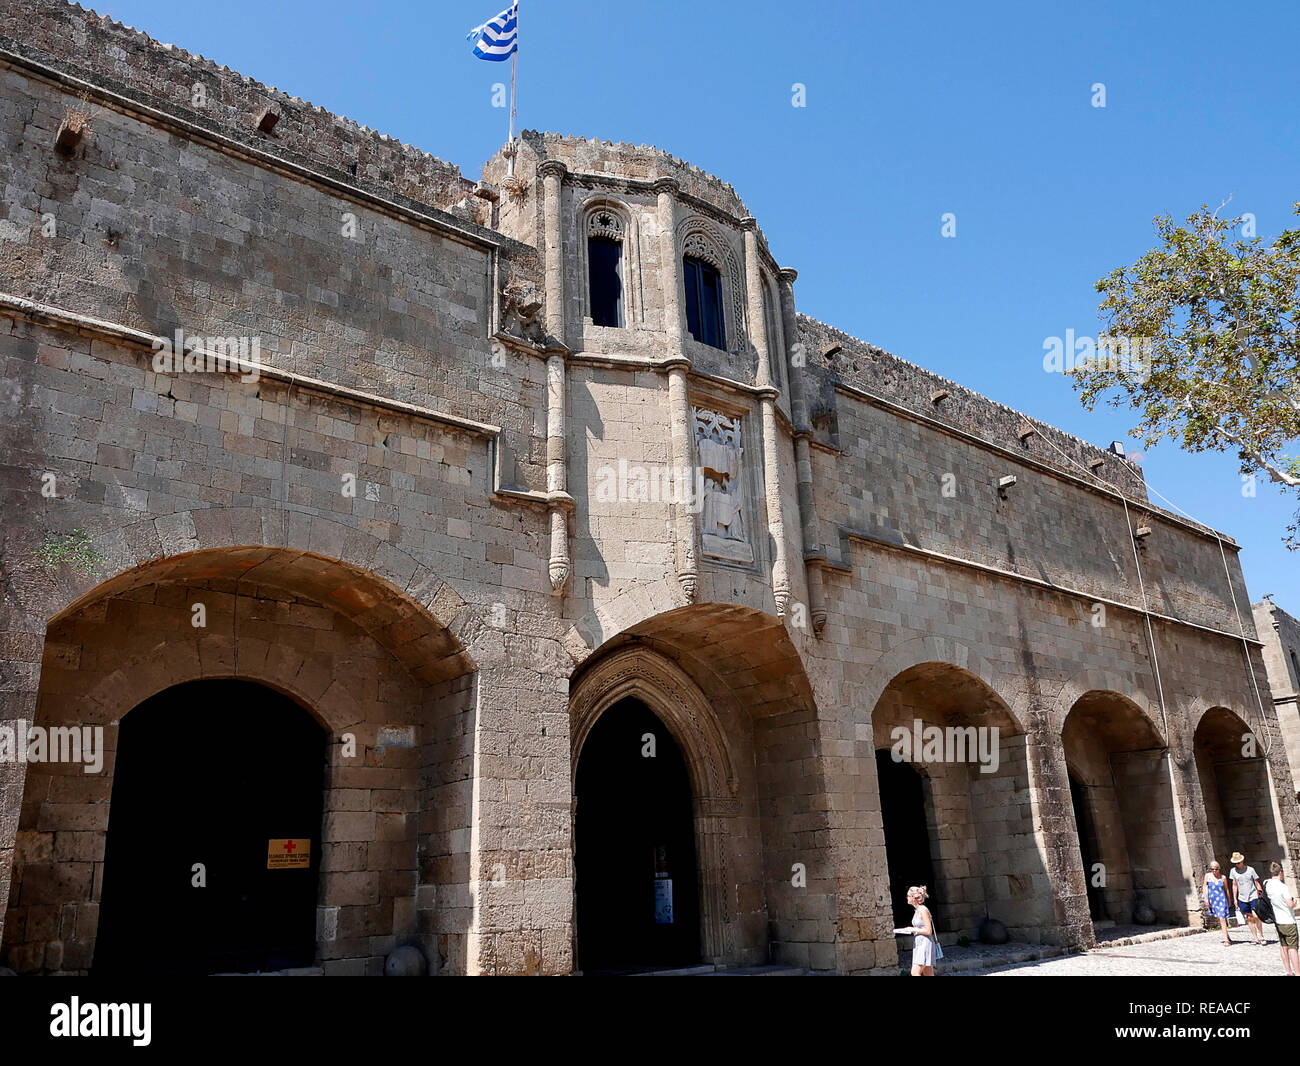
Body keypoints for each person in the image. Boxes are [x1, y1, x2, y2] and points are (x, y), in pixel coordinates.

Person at [1264, 862, 1299, 976]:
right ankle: (1298, 973)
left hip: (1278, 921)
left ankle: (1288, 971)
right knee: (1293, 948)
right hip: (1288, 920)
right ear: (1281, 873)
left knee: (1283, 946)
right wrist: (1295, 902)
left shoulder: (1267, 884)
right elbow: (1290, 904)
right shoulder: (1283, 887)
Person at [1229, 852, 1267, 946]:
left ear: (1242, 861)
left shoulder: (1250, 870)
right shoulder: (1233, 871)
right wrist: (1235, 899)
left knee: (1256, 916)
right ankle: (1255, 937)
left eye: (1238, 862)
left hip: (1253, 895)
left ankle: (1261, 935)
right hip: (1242, 897)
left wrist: (1261, 894)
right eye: (1235, 863)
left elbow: (1256, 882)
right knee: (1249, 918)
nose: (1237, 864)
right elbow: (1234, 885)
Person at [907, 885, 943, 976]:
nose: (906, 898)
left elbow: (928, 930)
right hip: (919, 943)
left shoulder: (923, 910)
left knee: (915, 972)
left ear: (914, 897)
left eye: (908, 896)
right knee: (928, 973)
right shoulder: (917, 910)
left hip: (925, 943)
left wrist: (912, 929)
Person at [1204, 861, 1232, 946]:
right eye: (1212, 869)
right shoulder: (1207, 876)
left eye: (1216, 869)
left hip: (1222, 900)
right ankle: (1226, 935)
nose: (1214, 871)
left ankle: (1226, 940)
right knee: (1220, 919)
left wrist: (1229, 900)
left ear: (1219, 869)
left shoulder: (1223, 878)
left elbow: (1226, 889)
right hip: (1213, 900)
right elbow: (1205, 886)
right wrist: (1206, 898)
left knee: (1222, 918)